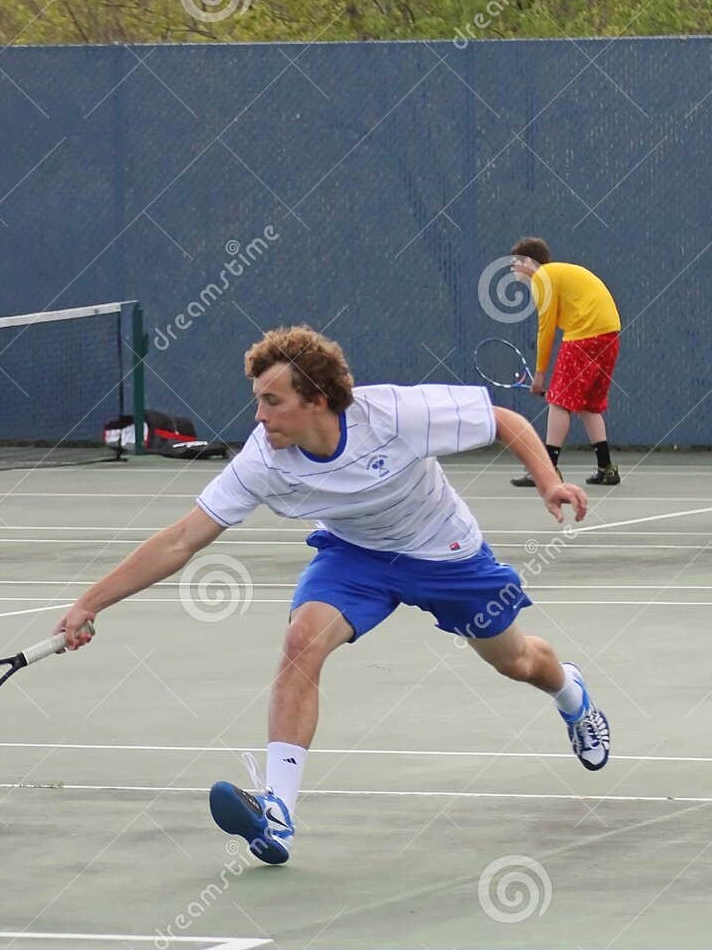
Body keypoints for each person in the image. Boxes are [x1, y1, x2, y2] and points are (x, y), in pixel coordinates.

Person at [53, 325, 611, 865]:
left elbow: (504, 420)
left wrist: (548, 482)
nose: (259, 415)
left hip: (444, 551)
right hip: (355, 558)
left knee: (517, 662)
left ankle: (571, 693)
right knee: (301, 640)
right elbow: (181, 541)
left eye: (272, 401)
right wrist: (91, 602)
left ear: (316, 400)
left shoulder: (393, 414)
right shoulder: (263, 459)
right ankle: (277, 812)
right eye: (258, 400)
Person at [506, 237, 623, 488]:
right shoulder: (556, 274)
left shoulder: (541, 278)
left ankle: (548, 469)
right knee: (589, 406)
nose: (512, 268)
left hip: (585, 337)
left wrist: (539, 374)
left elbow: (545, 329)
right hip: (609, 336)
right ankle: (606, 468)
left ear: (529, 262)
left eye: (516, 262)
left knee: (559, 403)